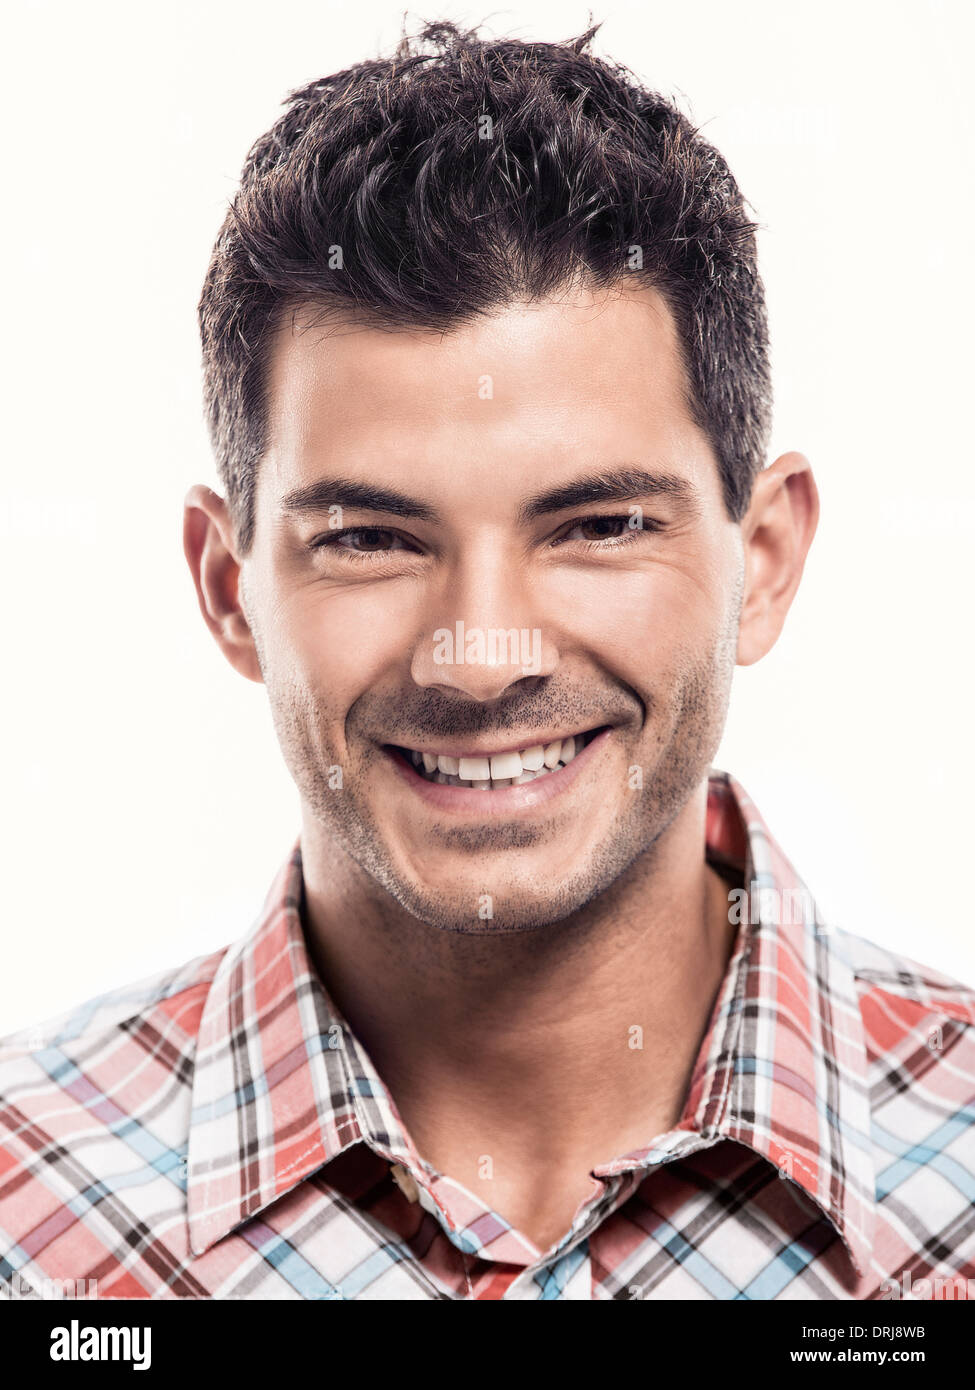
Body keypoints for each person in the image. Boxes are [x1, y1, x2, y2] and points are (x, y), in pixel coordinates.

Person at [2, 21, 973, 1302]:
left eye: (598, 525)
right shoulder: (33, 1217)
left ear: (768, 561)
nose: (480, 654)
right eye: (368, 537)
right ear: (227, 588)